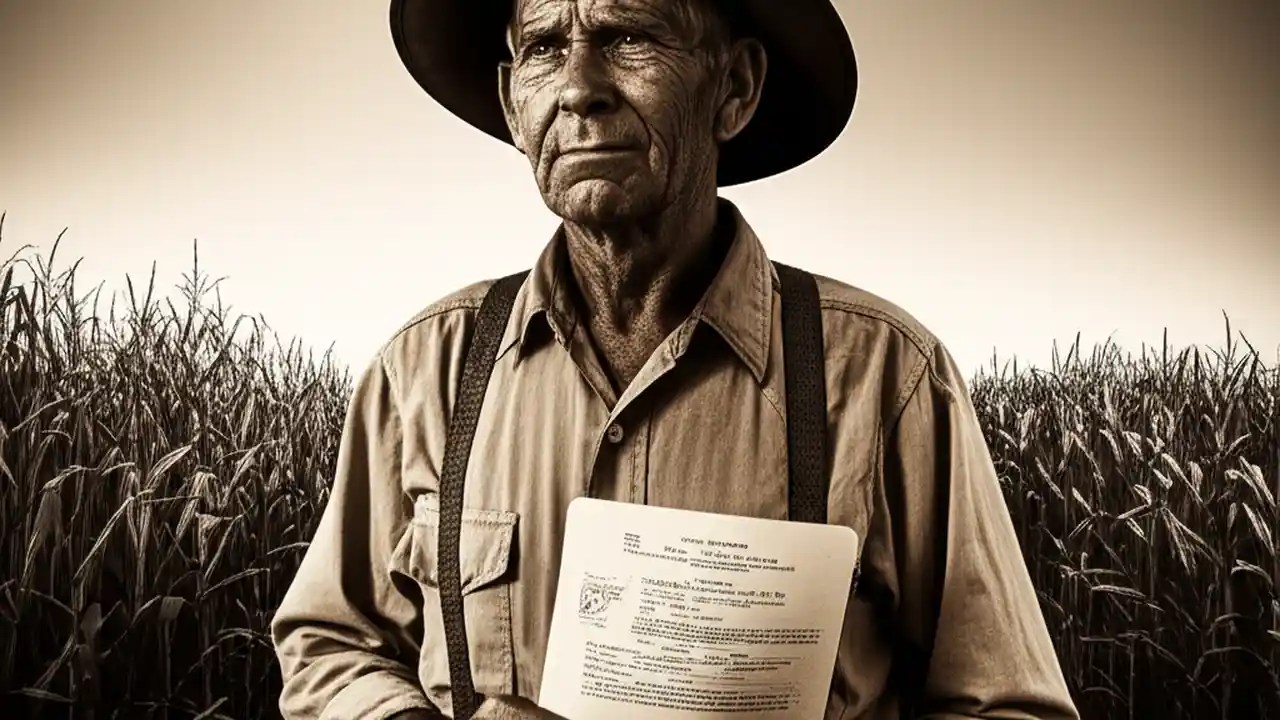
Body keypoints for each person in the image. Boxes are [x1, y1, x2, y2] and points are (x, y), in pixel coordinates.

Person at [270, 1, 1081, 718]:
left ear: (734, 89)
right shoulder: (425, 372)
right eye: (545, 47)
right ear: (513, 106)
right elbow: (330, 643)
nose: (579, 87)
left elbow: (1006, 703)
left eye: (628, 35)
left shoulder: (886, 378)